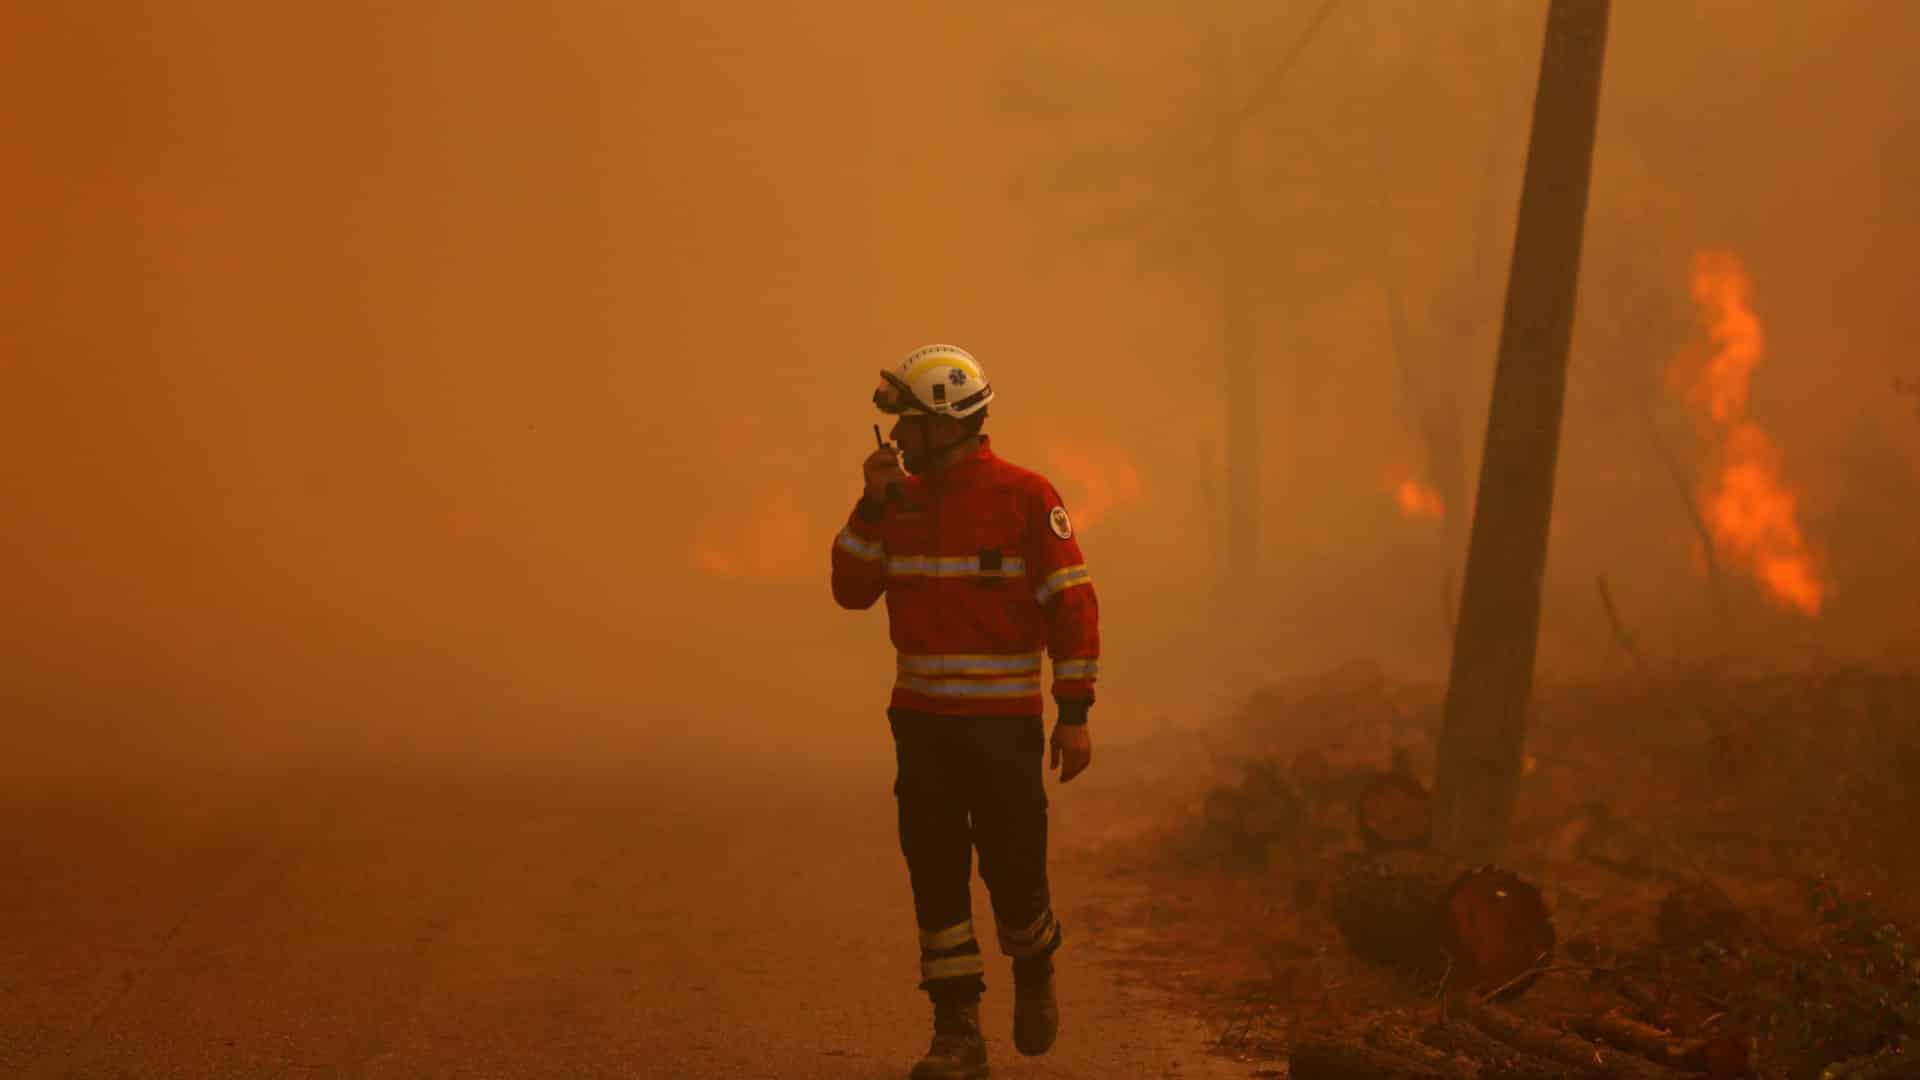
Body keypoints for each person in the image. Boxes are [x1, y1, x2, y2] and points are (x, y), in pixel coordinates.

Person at [830, 343, 1100, 1080]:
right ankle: (957, 1034)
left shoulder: (1025, 497)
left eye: (908, 426)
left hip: (1004, 733)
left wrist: (1073, 713)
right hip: (921, 729)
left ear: (947, 425)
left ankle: (1035, 956)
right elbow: (850, 590)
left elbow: (1072, 605)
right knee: (936, 873)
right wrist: (870, 507)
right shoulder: (897, 503)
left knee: (1013, 875)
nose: (897, 442)